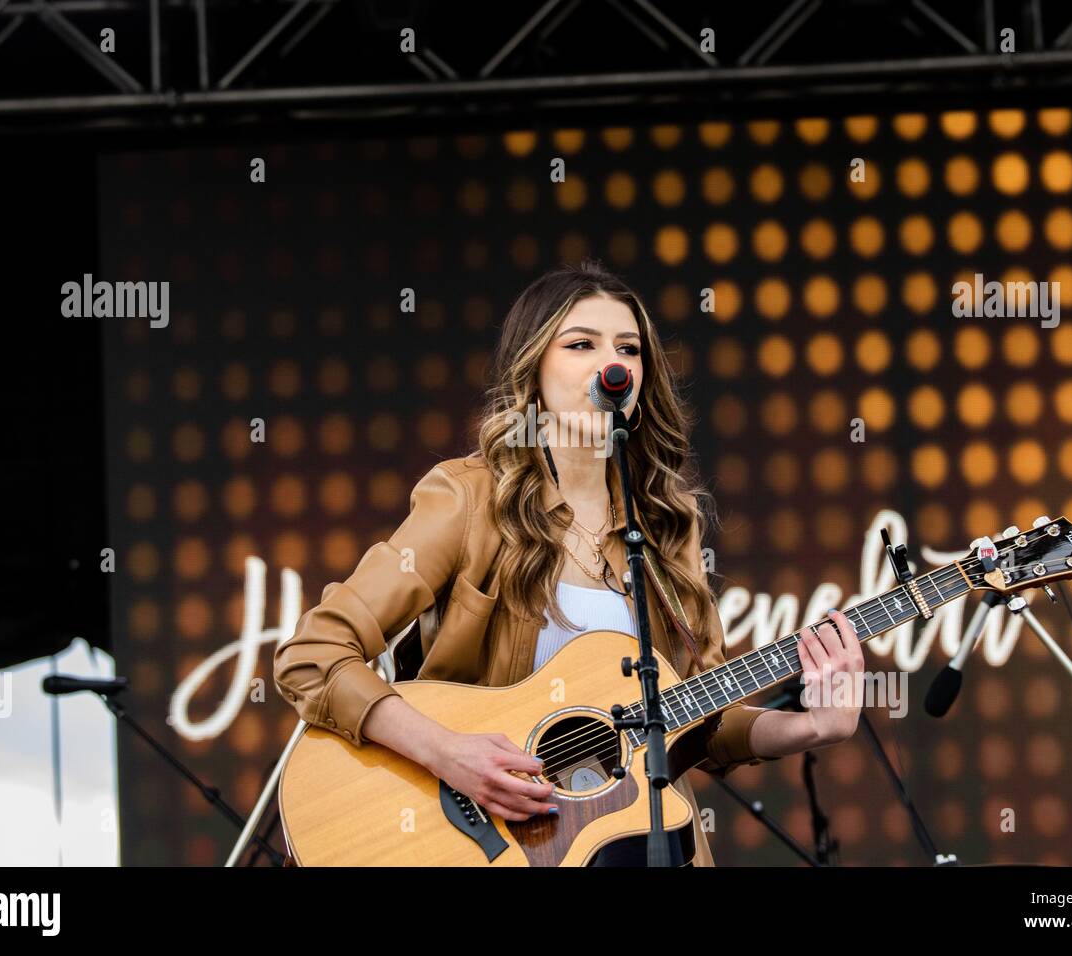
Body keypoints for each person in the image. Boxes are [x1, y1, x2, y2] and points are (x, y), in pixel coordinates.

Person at [273, 258, 865, 866]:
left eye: (629, 349)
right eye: (581, 343)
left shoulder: (665, 522)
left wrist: (811, 728)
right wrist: (448, 751)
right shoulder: (468, 498)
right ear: (534, 369)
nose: (613, 364)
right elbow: (313, 656)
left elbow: (699, 724)